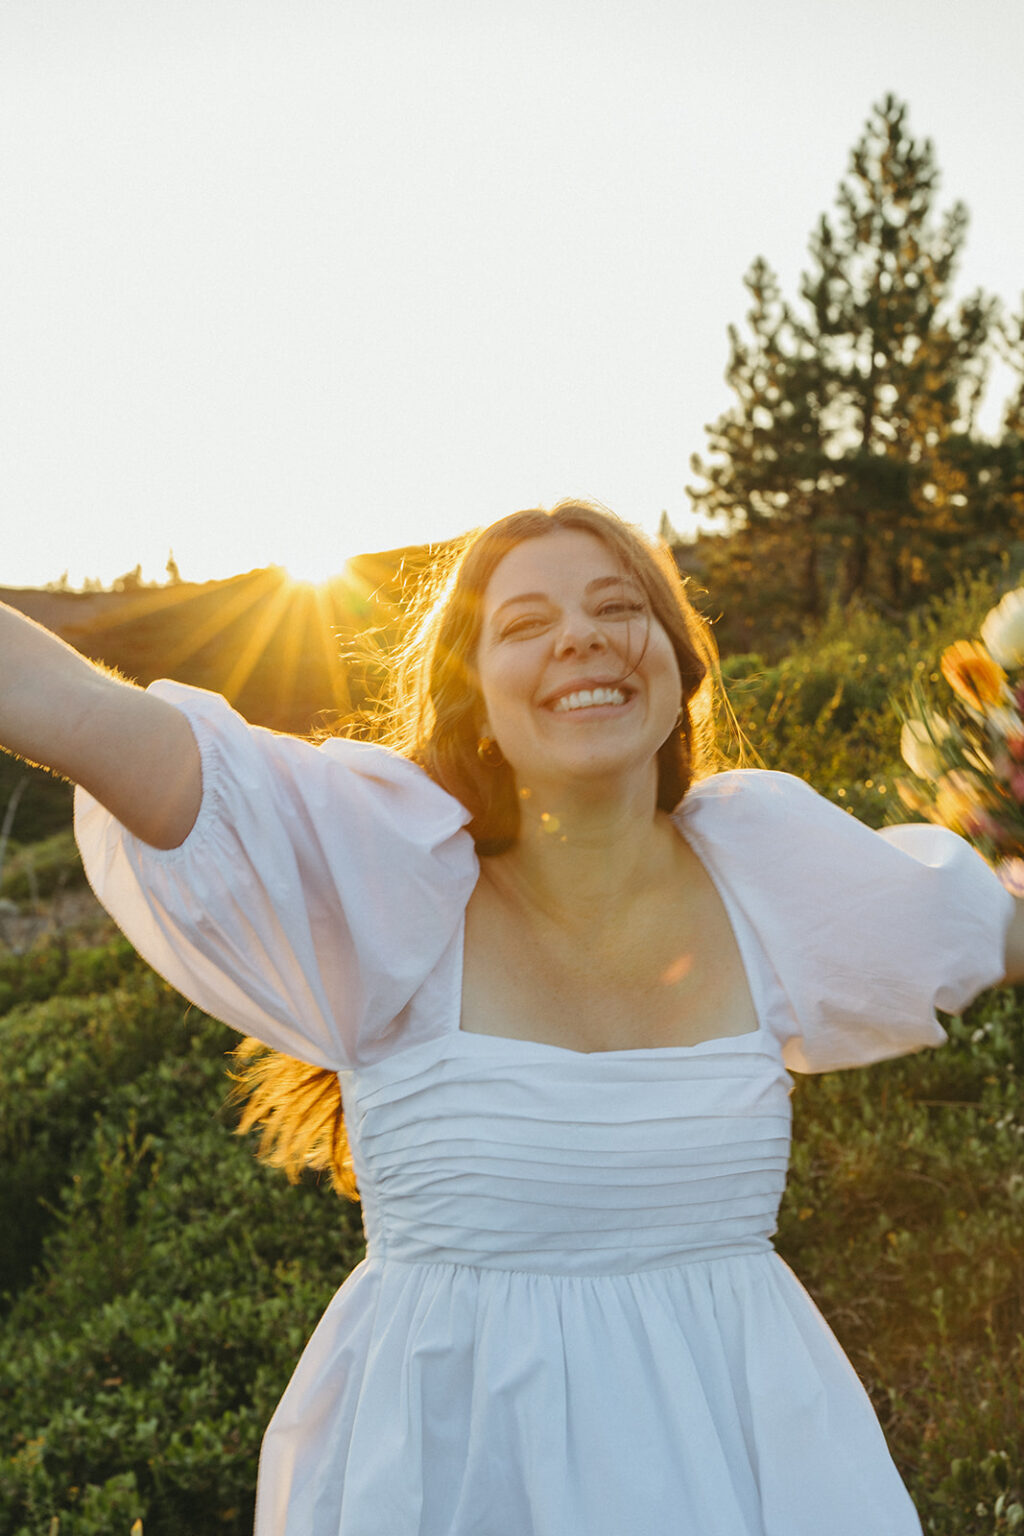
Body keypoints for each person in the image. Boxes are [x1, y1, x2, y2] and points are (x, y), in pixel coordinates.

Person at [1, 498, 1021, 1536]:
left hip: (740, 1466)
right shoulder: (381, 878)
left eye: (616, 605)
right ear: (474, 696)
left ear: (676, 664)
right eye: (526, 624)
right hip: (448, 1475)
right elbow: (75, 708)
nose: (580, 636)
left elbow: (998, 926)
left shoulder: (770, 869)